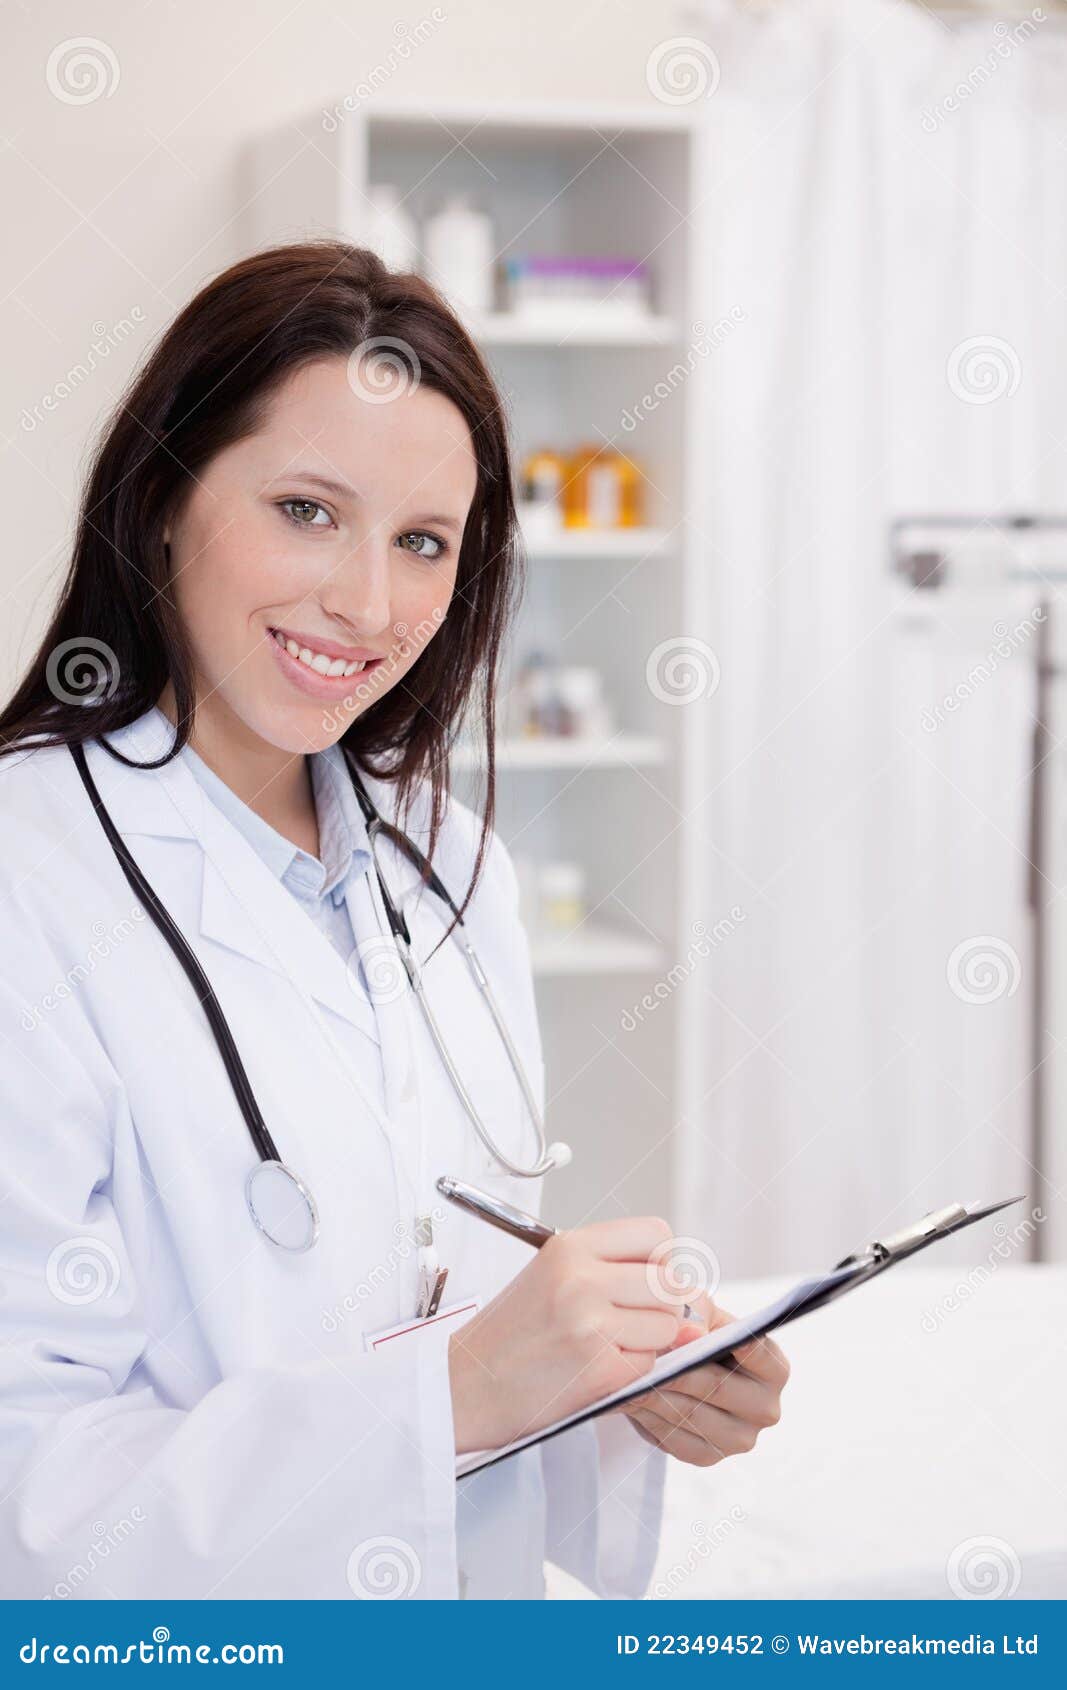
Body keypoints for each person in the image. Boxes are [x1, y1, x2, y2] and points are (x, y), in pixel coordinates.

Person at [0, 241, 788, 1600]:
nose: (368, 603)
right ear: (165, 498)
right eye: (308, 509)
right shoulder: (30, 868)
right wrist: (456, 1394)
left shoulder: (452, 868)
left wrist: (612, 1380)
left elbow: (440, 1302)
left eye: (424, 541)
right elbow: (30, 1487)